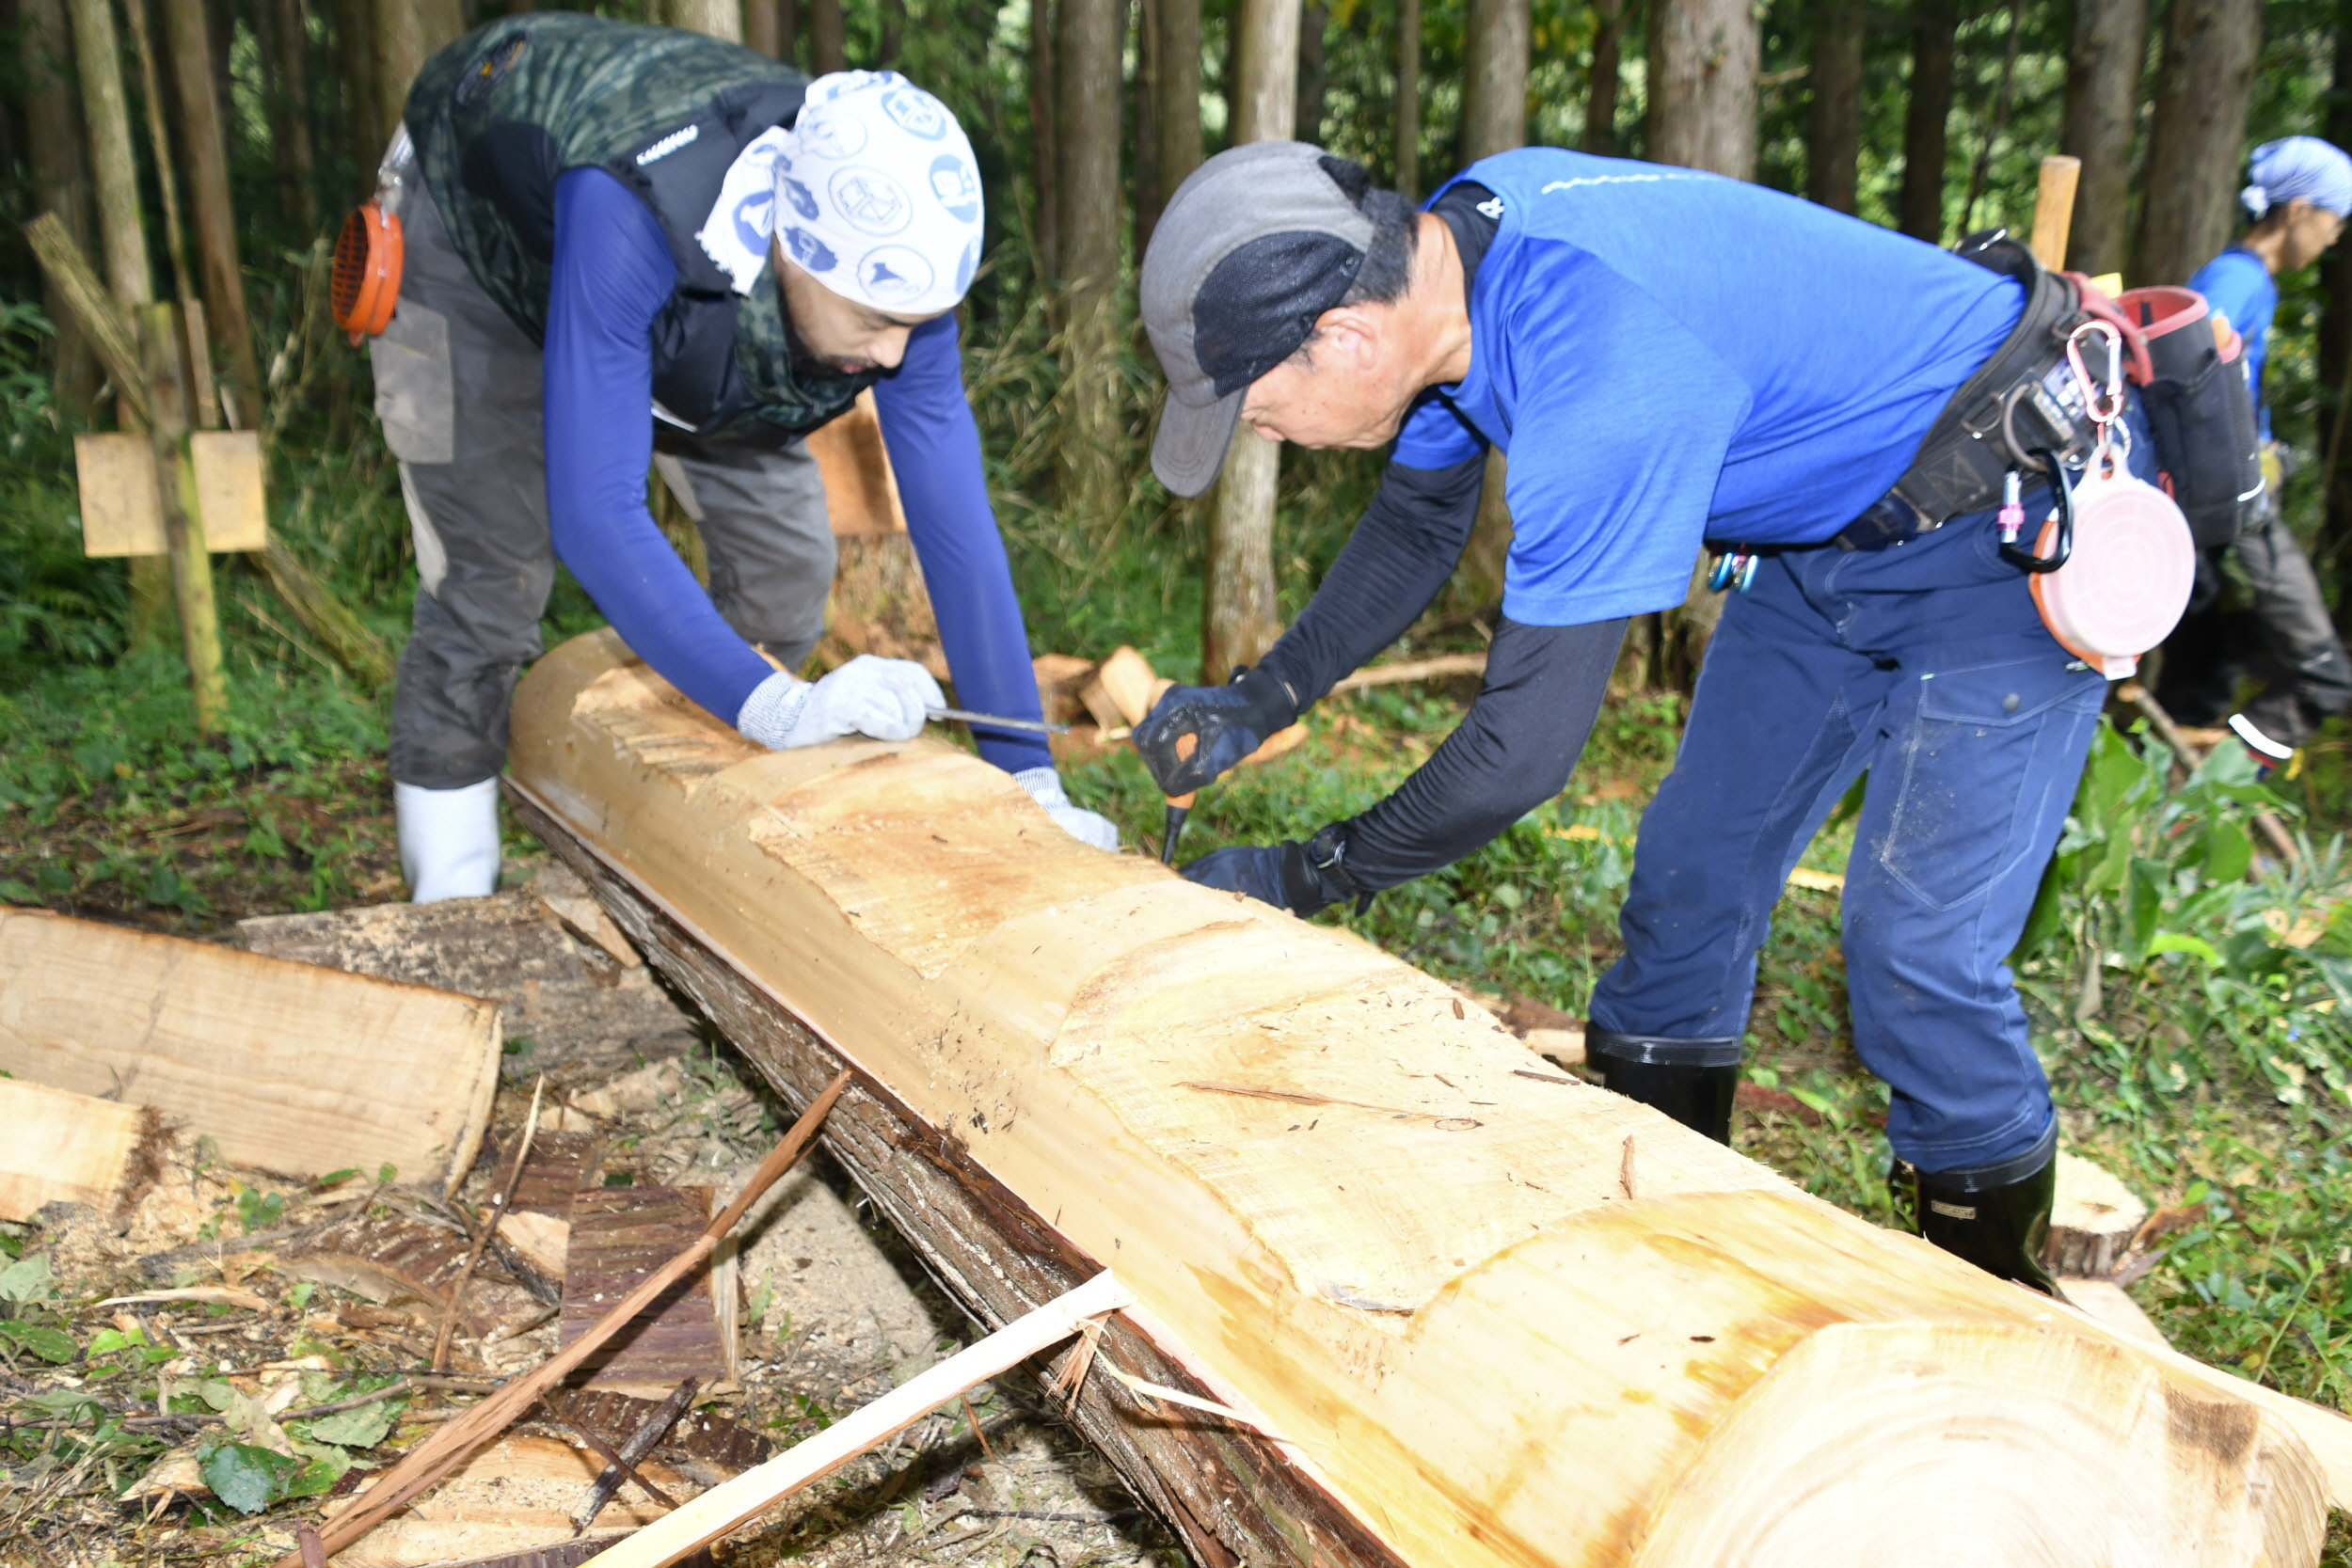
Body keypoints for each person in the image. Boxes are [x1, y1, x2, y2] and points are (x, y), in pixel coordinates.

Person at [1130, 141, 2177, 1293]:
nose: (1270, 438)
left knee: (1914, 950)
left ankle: (1992, 1299)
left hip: (2005, 533)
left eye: (1265, 415)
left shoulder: (1603, 373)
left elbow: (1515, 757)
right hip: (1827, 539)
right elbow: (1417, 528)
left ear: (1343, 339)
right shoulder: (1442, 263)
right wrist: (1261, 695)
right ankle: (1664, 1259)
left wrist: (1299, 877)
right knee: (1690, 876)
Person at [371, 14, 1115, 900]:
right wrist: (778, 706)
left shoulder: (897, 303)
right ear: (791, 246)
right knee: (490, 585)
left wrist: (1028, 775)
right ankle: (451, 903)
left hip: (697, 320)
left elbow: (954, 524)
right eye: (874, 322)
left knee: (785, 567)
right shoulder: (633, 211)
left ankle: (688, 834)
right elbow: (594, 511)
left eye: (913, 325)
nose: (890, 357)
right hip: (475, 237)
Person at [2157, 136, 2352, 769]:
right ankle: (2222, 783)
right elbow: (2188, 362)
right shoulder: (2236, 279)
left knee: (2201, 679)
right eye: (2332, 221)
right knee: (2325, 676)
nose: (2334, 238)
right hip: (2234, 516)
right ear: (2296, 211)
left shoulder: (2248, 281)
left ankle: (2186, 799)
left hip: (2218, 518)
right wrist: (2249, 455)